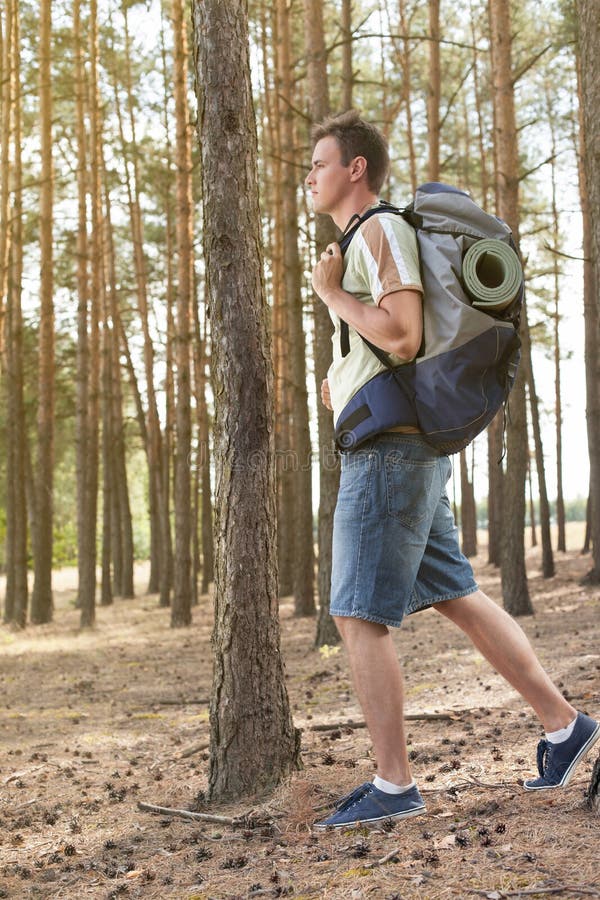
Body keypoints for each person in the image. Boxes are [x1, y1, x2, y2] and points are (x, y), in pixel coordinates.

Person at [305, 110, 600, 830]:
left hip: (389, 456)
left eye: (318, 163)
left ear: (356, 169)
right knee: (458, 595)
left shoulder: (377, 230)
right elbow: (388, 343)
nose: (308, 177)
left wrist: (333, 296)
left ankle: (395, 786)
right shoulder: (363, 239)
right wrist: (342, 374)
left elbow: (403, 336)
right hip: (403, 446)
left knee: (355, 612)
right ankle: (566, 729)